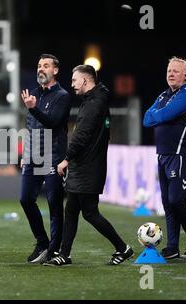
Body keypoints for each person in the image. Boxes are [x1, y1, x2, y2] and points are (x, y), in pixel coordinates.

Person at [45, 65, 133, 266]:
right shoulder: (95, 99)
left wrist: (66, 158)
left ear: (85, 81)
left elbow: (82, 134)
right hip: (86, 164)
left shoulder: (94, 103)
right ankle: (64, 254)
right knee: (72, 210)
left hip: (87, 166)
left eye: (75, 80)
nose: (72, 84)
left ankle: (122, 248)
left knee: (90, 212)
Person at [143, 57, 186, 259]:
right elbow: (146, 119)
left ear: (185, 75)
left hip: (180, 155)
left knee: (176, 200)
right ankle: (172, 247)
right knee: (167, 203)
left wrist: (159, 115)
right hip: (162, 155)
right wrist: (160, 114)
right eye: (169, 70)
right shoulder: (163, 95)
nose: (171, 74)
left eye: (176, 71)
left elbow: (161, 117)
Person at [20, 53, 71, 263]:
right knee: (25, 199)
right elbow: (30, 127)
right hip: (33, 157)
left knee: (54, 204)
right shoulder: (33, 93)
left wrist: (34, 108)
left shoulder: (62, 96)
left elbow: (52, 122)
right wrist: (25, 153)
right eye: (39, 65)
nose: (41, 69)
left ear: (55, 70)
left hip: (53, 157)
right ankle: (42, 241)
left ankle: (54, 249)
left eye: (46, 66)